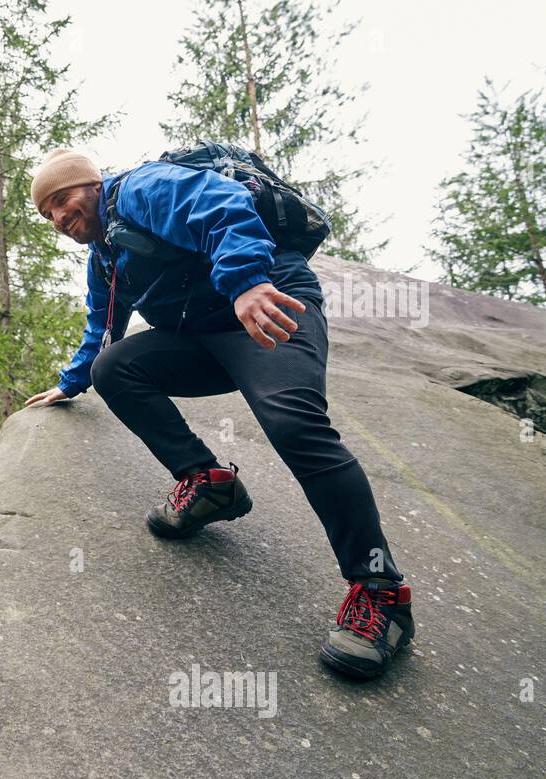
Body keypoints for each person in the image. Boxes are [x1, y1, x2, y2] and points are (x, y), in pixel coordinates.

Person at [25, 146, 414, 679]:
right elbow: (102, 324)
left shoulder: (140, 189)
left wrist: (247, 282)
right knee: (113, 367)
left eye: (64, 201)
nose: (60, 220)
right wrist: (69, 384)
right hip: (208, 335)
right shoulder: (107, 258)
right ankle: (208, 483)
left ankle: (381, 593)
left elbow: (222, 206)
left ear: (92, 185)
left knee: (293, 422)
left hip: (270, 303)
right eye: (49, 214)